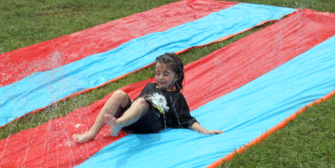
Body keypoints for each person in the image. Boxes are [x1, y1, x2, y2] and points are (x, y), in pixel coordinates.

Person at [73, 52, 223, 144]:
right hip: (133, 119)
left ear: (176, 76)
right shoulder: (150, 87)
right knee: (120, 94)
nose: (160, 77)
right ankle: (91, 133)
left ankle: (117, 123)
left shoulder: (177, 97)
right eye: (157, 73)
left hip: (150, 124)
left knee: (142, 102)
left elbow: (188, 121)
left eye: (166, 74)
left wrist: (205, 131)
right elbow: (135, 107)